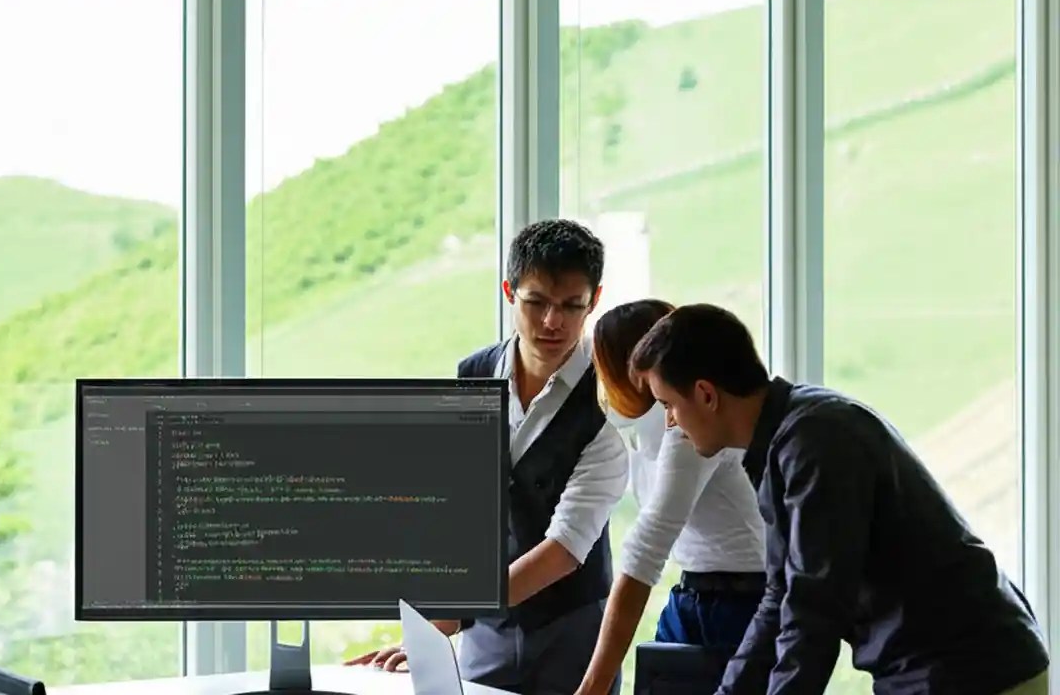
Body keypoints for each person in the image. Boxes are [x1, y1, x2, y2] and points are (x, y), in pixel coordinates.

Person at [629, 303, 1050, 695]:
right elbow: (781, 598)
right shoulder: (785, 439)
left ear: (706, 394)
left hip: (972, 672)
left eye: (669, 404)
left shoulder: (814, 442)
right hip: (939, 668)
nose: (671, 423)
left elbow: (814, 610)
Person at [346, 219, 629, 694]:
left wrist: (455, 612)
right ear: (508, 291)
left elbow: (563, 550)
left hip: (573, 631)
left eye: (570, 306)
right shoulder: (472, 375)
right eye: (536, 302)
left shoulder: (607, 401)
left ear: (594, 301)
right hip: (485, 633)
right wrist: (430, 621)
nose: (551, 322)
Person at [573, 300, 766, 695]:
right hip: (695, 594)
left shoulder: (687, 431)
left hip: (738, 607)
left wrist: (591, 687)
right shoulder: (646, 429)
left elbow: (644, 552)